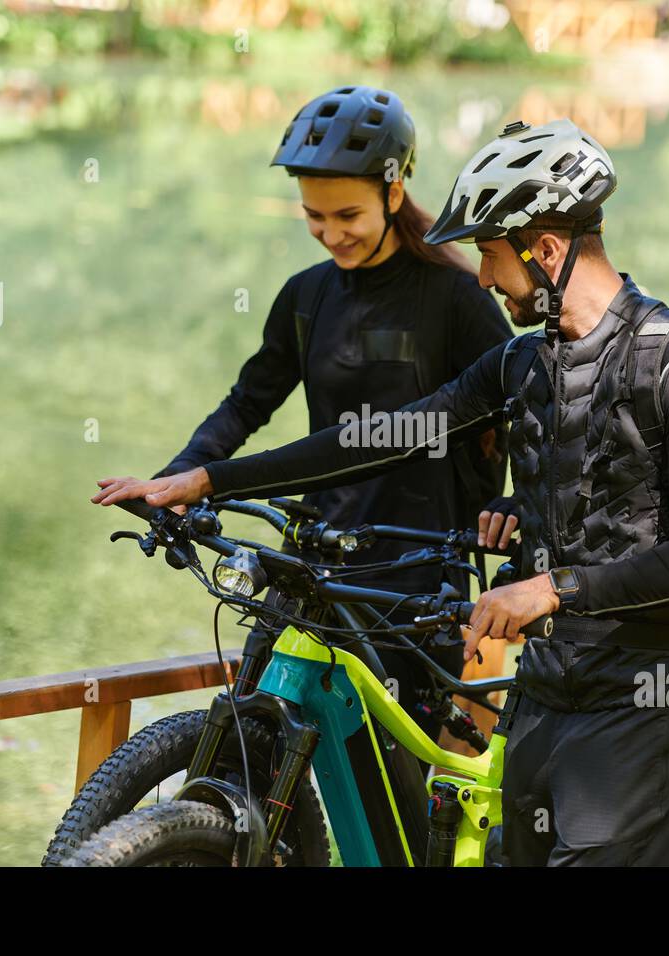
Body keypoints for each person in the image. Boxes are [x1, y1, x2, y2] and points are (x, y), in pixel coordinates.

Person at [97, 117, 669, 866]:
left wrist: (552, 588)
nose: (480, 276)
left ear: (545, 250)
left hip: (656, 682)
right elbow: (374, 438)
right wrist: (208, 478)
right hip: (554, 680)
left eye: (488, 252)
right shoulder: (524, 363)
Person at [93, 86, 512, 741]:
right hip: (315, 552)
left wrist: (520, 510)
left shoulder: (457, 296)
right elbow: (248, 402)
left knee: (401, 765)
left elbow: (518, 417)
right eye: (314, 217)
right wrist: (178, 478)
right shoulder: (307, 296)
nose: (330, 234)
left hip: (416, 573)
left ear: (394, 193)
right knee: (250, 729)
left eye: (348, 214)